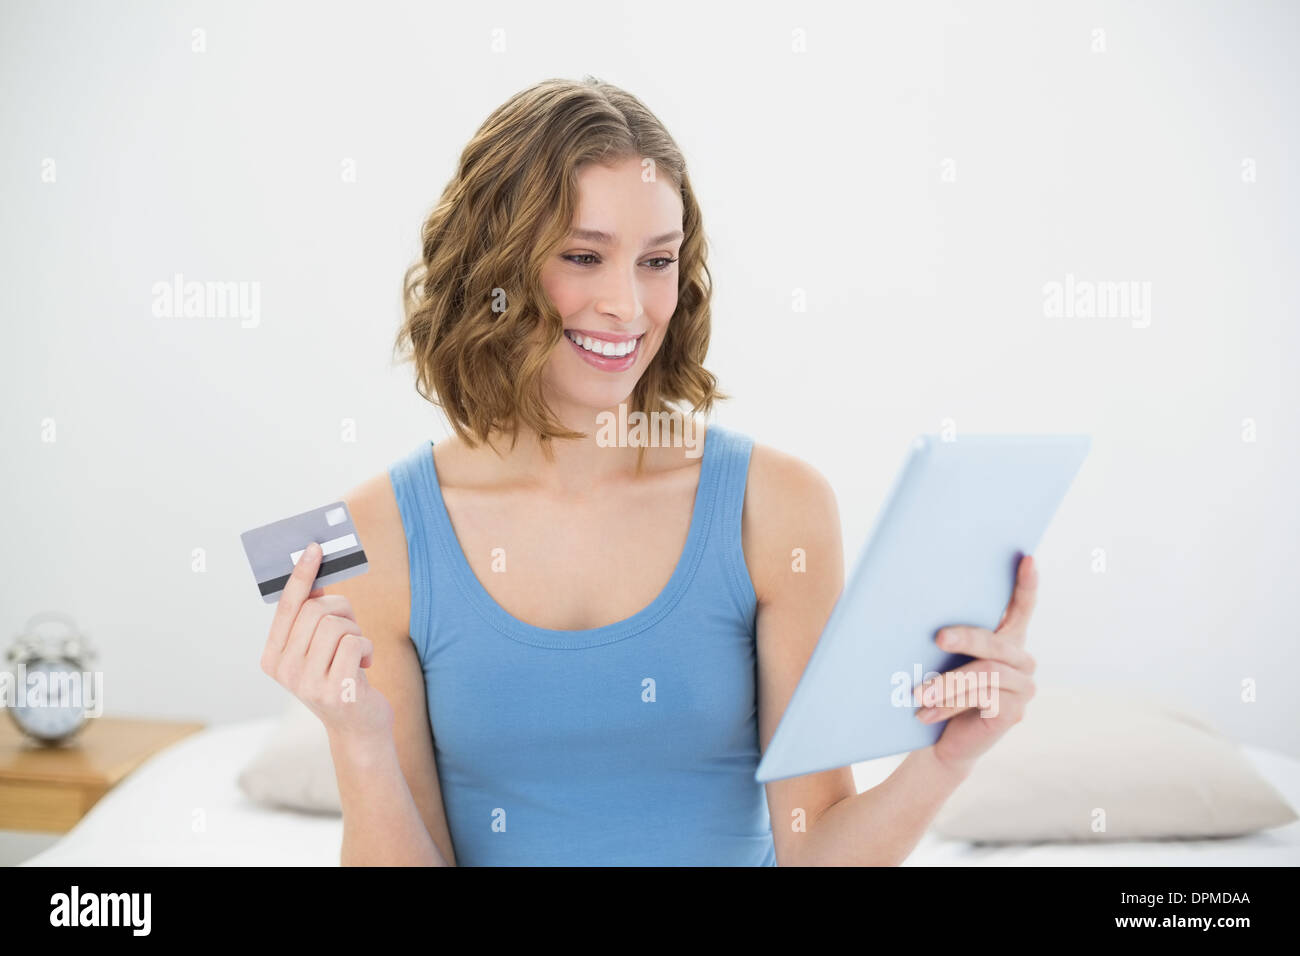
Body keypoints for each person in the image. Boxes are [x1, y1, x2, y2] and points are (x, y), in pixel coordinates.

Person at [258, 76, 1039, 866]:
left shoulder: (777, 507)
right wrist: (358, 743)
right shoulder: (379, 534)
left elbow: (815, 853)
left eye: (656, 261)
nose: (628, 307)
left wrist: (943, 761)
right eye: (583, 256)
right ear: (491, 269)